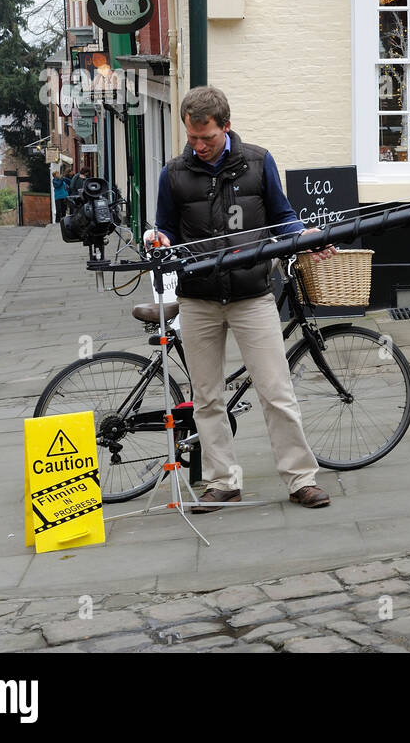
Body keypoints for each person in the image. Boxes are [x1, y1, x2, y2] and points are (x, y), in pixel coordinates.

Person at [145, 86, 334, 512]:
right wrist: (158, 238)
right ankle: (222, 481)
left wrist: (303, 238)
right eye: (192, 138)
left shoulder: (259, 162)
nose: (198, 146)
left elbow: (282, 216)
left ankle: (301, 479)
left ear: (225, 126)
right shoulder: (173, 174)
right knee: (207, 397)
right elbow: (166, 228)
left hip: (251, 294)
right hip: (198, 298)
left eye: (206, 137)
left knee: (276, 390)